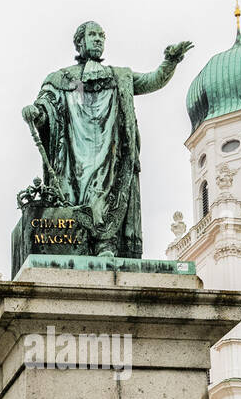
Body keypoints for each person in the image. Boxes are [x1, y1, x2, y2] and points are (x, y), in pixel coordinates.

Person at [21, 22, 193, 258]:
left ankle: (105, 244)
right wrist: (36, 113)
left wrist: (170, 62)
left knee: (105, 193)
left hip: (109, 150)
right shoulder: (62, 78)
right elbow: (46, 106)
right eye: (93, 34)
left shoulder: (119, 76)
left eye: (102, 35)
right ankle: (76, 242)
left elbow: (152, 81)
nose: (99, 39)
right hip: (74, 152)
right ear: (80, 41)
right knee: (73, 196)